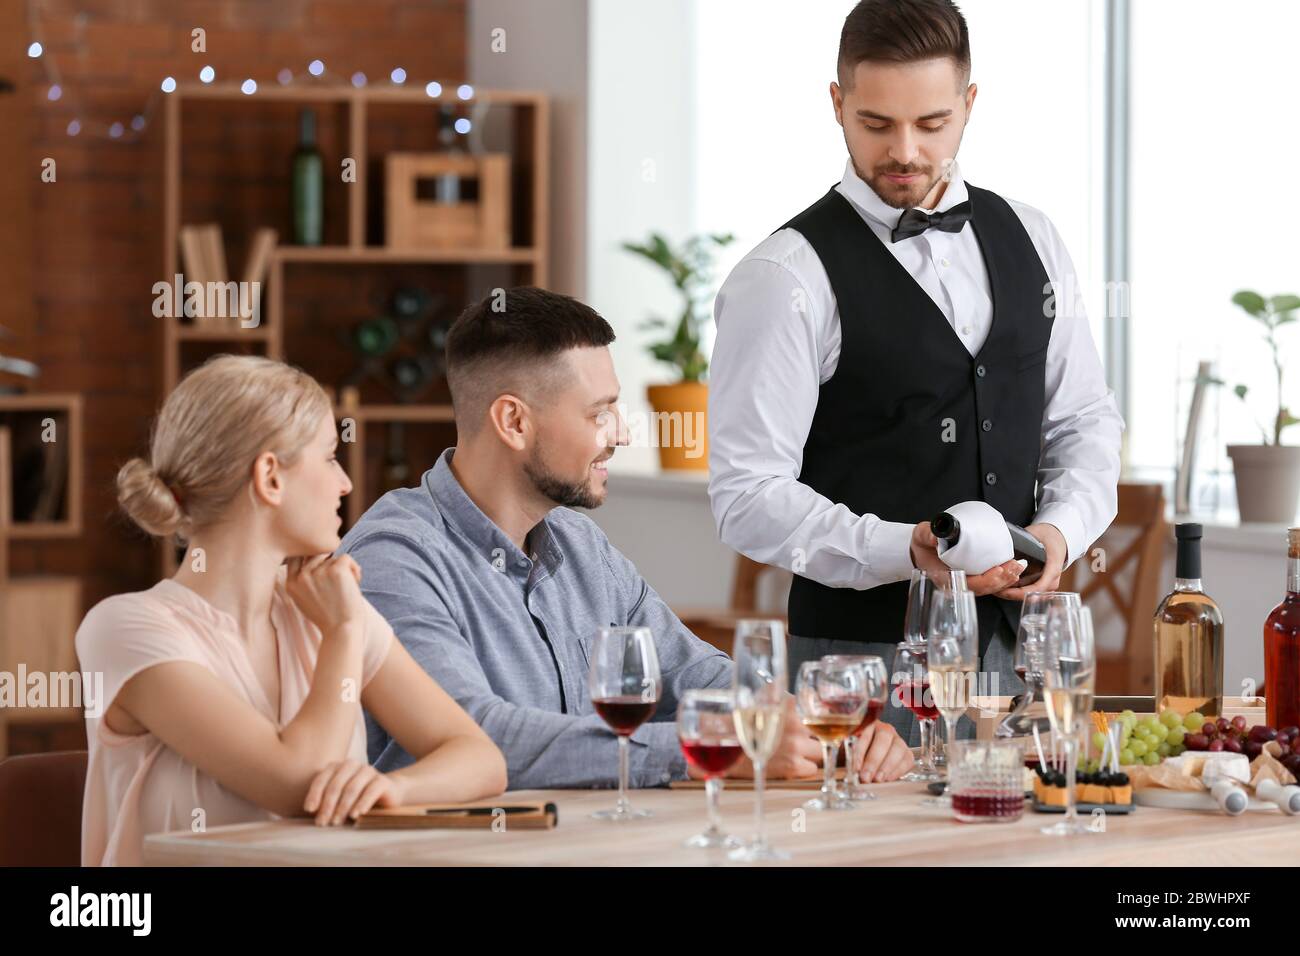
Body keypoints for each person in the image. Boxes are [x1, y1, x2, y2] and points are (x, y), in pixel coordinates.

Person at [707, 0, 1124, 744]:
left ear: (969, 105)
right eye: (876, 124)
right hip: (857, 673)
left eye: (931, 124)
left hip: (1020, 661)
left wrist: (1060, 532)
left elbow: (1083, 420)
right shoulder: (783, 276)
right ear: (837, 105)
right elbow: (746, 496)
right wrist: (905, 549)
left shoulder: (1034, 236)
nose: (903, 151)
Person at [340, 286, 915, 790]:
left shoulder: (579, 545)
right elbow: (473, 734)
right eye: (600, 413)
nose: (622, 432)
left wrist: (823, 728)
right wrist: (697, 750)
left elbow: (698, 675)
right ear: (514, 422)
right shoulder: (395, 559)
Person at [76, 355, 506, 866]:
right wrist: (344, 633)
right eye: (329, 458)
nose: (345, 483)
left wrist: (392, 790)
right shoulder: (125, 629)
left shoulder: (324, 611)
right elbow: (297, 785)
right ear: (270, 478)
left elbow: (480, 758)